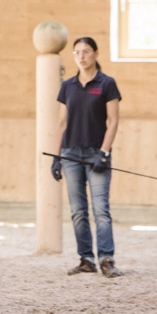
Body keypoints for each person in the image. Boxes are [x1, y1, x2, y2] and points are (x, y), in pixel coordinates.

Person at [51, 36, 123, 278]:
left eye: (86, 51)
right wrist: (57, 157)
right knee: (78, 211)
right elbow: (62, 124)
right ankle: (86, 260)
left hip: (96, 154)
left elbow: (113, 121)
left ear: (95, 54)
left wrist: (104, 152)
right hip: (70, 154)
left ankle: (106, 259)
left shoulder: (107, 84)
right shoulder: (68, 86)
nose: (81, 56)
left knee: (101, 209)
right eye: (77, 52)